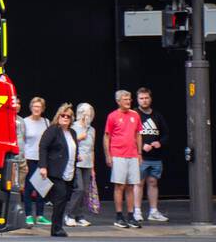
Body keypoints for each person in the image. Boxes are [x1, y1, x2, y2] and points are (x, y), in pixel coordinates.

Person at [104, 89, 143, 229]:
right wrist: (108, 155)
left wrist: (139, 153)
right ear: (118, 101)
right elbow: (106, 136)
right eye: (125, 99)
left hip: (132, 154)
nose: (128, 102)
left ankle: (131, 216)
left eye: (129, 99)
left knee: (131, 185)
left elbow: (138, 134)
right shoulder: (112, 116)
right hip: (118, 154)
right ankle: (119, 216)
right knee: (119, 185)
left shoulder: (135, 115)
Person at [37, 103, 77, 237]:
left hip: (69, 172)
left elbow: (69, 150)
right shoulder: (53, 130)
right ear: (58, 116)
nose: (66, 118)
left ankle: (57, 227)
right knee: (60, 198)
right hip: (55, 171)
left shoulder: (72, 132)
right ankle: (56, 228)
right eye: (63, 115)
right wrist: (43, 166)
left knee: (63, 199)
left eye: (69, 116)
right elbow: (43, 146)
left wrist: (77, 157)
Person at [136, 87, 169, 222]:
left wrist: (159, 143)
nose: (144, 101)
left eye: (146, 98)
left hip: (155, 156)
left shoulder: (157, 115)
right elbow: (130, 134)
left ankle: (153, 211)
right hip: (140, 156)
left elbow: (166, 134)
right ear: (137, 100)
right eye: (141, 98)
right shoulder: (134, 114)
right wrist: (141, 145)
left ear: (150, 99)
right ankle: (137, 211)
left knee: (153, 182)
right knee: (138, 183)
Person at [65, 103, 96, 227]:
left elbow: (92, 149)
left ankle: (80, 216)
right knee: (79, 189)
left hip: (88, 163)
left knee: (85, 191)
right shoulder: (73, 127)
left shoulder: (92, 130)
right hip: (76, 163)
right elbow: (68, 143)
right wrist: (78, 138)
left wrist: (93, 167)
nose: (88, 115)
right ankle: (69, 215)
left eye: (90, 113)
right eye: (86, 113)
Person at [22, 97, 50, 226]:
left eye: (39, 107)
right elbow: (21, 141)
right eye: (34, 106)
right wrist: (23, 161)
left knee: (41, 188)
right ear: (31, 107)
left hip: (42, 159)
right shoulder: (25, 122)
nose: (36, 109)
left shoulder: (46, 122)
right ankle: (28, 215)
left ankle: (40, 215)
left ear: (42, 109)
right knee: (28, 187)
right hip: (29, 158)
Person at [12, 96, 27, 212]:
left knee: (21, 187)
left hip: (22, 157)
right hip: (13, 158)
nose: (17, 105)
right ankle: (12, 210)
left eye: (19, 103)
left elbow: (23, 138)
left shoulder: (22, 120)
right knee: (13, 186)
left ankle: (19, 210)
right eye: (15, 103)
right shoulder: (7, 118)